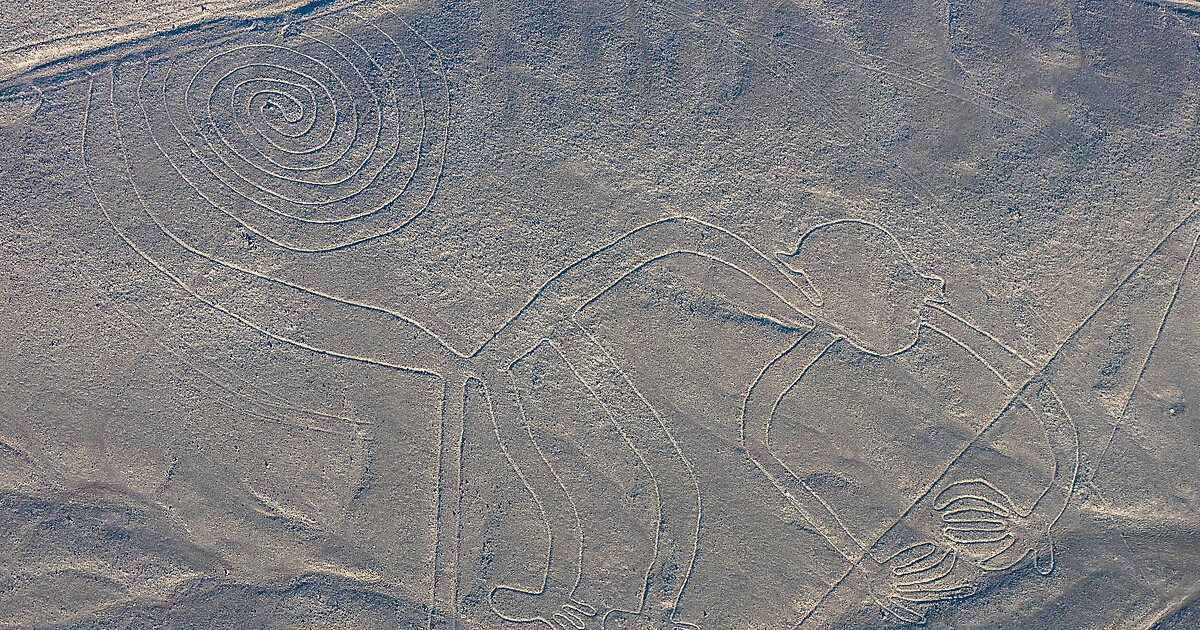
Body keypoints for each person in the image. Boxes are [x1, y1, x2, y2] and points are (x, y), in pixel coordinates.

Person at [740, 219, 1078, 625]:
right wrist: (869, 569)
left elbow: (1047, 410)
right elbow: (768, 457)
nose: (919, 306)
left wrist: (1043, 512)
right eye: (896, 294)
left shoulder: (946, 335)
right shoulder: (778, 400)